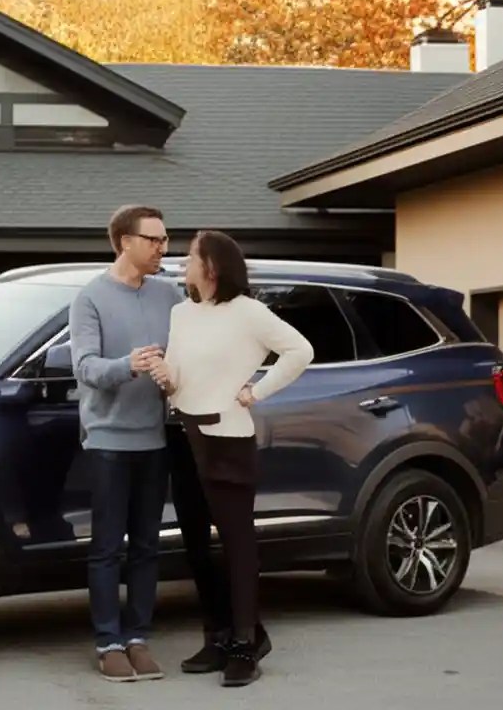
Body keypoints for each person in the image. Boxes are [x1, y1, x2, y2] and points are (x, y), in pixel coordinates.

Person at [148, 230, 313, 687]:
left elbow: (300, 351)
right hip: (183, 433)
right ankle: (218, 635)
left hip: (226, 437)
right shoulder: (182, 313)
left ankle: (245, 644)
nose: (182, 264)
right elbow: (180, 379)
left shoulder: (248, 312)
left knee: (238, 545)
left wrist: (256, 391)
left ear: (212, 267)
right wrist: (164, 374)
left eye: (190, 257)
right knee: (196, 544)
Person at [68, 204, 183, 682]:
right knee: (107, 547)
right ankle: (108, 642)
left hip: (156, 438)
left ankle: (137, 636)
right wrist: (129, 365)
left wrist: (171, 374)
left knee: (147, 546)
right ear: (125, 242)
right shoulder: (90, 298)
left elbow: (186, 356)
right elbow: (85, 367)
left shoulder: (170, 294)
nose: (163, 248)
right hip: (108, 441)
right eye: (154, 240)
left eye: (164, 239)